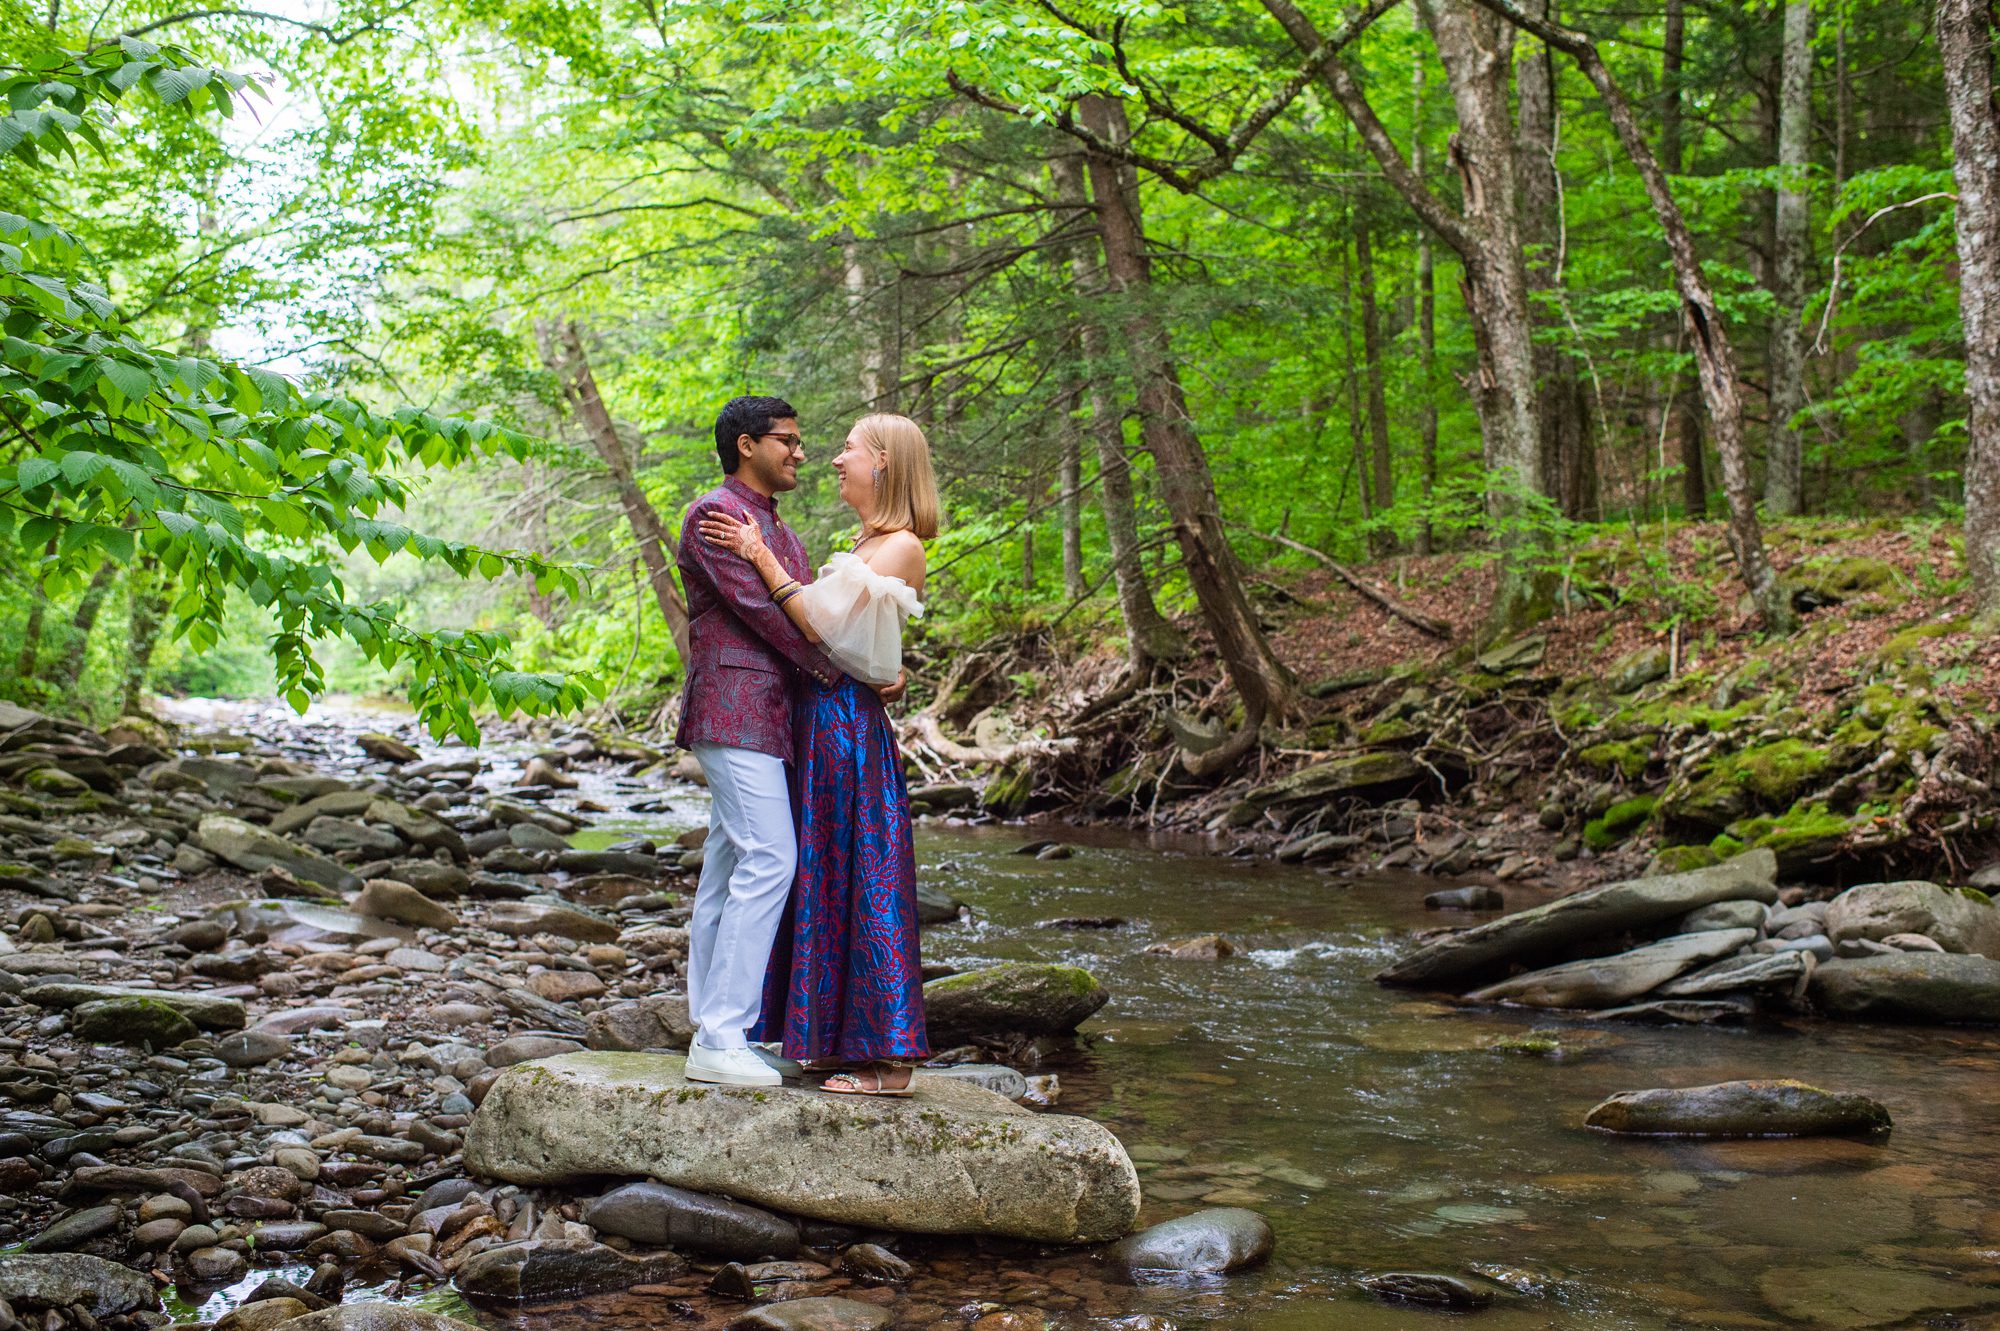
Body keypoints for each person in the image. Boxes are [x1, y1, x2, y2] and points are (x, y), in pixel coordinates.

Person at [698, 413, 937, 1096]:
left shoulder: (901, 545)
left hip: (847, 733)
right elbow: (861, 648)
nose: (832, 460)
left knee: (864, 874)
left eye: (849, 451)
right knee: (821, 877)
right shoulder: (861, 543)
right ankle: (829, 1039)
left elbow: (820, 625)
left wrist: (760, 555)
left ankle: (890, 1063)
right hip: (815, 725)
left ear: (885, 462)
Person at [673, 396, 844, 1087]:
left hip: (765, 717)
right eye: (788, 440)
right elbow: (772, 619)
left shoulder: (776, 526)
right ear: (747, 444)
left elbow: (803, 608)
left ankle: (716, 1027)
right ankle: (719, 1035)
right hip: (734, 708)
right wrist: (843, 671)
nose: (801, 452)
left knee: (725, 868)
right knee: (772, 857)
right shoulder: (717, 515)